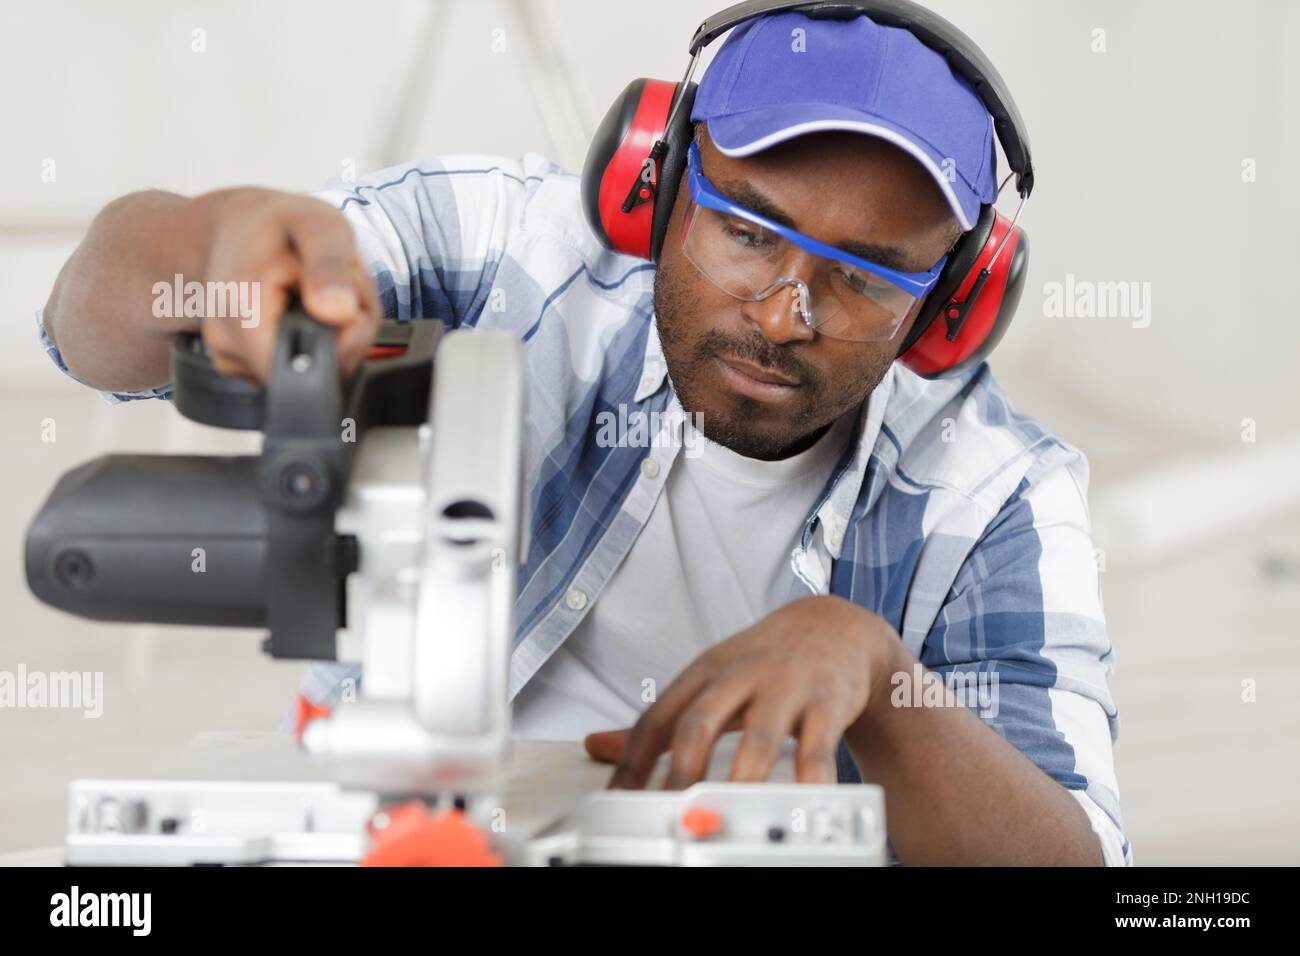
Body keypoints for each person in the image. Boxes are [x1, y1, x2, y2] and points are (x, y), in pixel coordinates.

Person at [37, 8, 1127, 865]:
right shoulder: (513, 248)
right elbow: (90, 329)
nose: (784, 312)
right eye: (746, 230)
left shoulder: (994, 493)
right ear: (651, 183)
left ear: (952, 305)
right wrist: (209, 236)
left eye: (862, 276)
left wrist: (881, 676)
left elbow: (1070, 859)